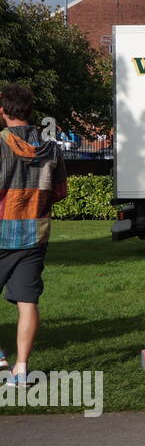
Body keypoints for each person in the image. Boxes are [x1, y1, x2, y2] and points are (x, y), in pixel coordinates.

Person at [0, 84, 68, 384]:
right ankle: (22, 367)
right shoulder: (50, 147)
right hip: (35, 233)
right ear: (30, 111)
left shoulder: (0, 144)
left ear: (3, 112)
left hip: (2, 231)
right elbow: (60, 191)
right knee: (28, 302)